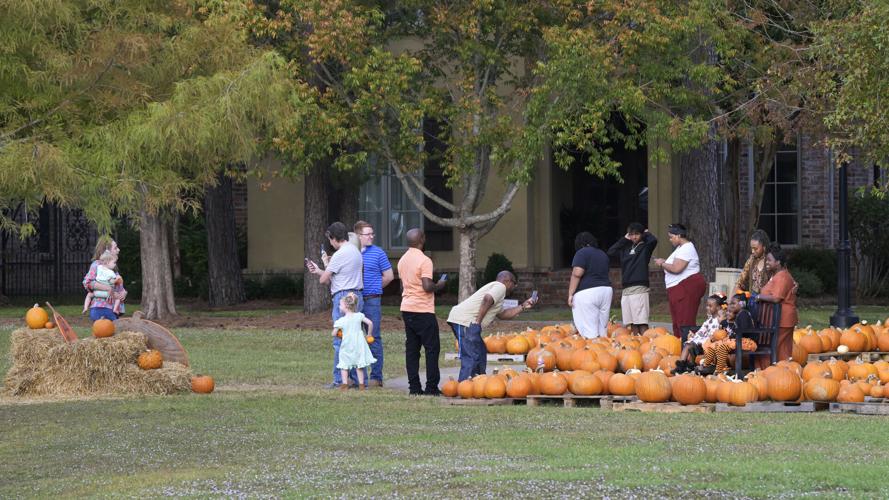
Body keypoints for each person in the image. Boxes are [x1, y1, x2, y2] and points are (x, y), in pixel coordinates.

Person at [446, 271, 537, 381]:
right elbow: (487, 299)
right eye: (514, 283)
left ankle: (479, 381)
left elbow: (503, 315)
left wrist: (523, 306)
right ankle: (465, 386)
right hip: (465, 321)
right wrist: (477, 323)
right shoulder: (500, 287)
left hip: (467, 321)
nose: (514, 287)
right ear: (507, 281)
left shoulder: (498, 293)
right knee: (471, 355)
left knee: (480, 351)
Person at [306, 222, 364, 388]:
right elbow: (338, 276)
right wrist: (318, 269)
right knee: (354, 339)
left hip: (343, 296)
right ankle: (357, 380)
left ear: (334, 238)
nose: (330, 242)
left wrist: (320, 273)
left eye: (330, 239)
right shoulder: (355, 251)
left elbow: (324, 280)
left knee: (340, 340)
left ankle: (340, 380)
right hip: (356, 295)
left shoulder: (340, 254)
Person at [396, 228, 446, 395]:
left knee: (412, 349)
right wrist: (439, 285)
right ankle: (431, 388)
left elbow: (403, 286)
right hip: (423, 310)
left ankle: (414, 388)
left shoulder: (402, 260)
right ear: (422, 240)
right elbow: (427, 286)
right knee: (432, 349)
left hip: (407, 308)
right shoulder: (425, 260)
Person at [354, 220, 394, 388]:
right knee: (353, 338)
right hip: (354, 301)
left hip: (372, 300)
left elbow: (389, 276)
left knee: (373, 337)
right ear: (357, 236)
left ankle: (376, 376)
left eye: (372, 233)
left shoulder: (378, 253)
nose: (371, 236)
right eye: (367, 234)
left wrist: (375, 287)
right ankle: (353, 377)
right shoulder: (351, 252)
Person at [654, 223, 707, 338]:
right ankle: (680, 347)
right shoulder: (681, 248)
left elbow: (676, 268)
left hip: (686, 287)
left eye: (671, 236)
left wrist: (662, 263)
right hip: (679, 288)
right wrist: (665, 262)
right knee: (678, 321)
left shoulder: (687, 248)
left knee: (685, 322)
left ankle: (686, 350)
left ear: (678, 236)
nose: (670, 239)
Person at [607, 223, 658, 335]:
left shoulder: (645, 247)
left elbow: (653, 240)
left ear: (641, 234)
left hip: (639, 287)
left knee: (641, 321)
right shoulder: (625, 247)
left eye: (637, 234)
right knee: (632, 322)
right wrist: (624, 239)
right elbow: (611, 252)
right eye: (631, 234)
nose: (634, 237)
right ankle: (636, 343)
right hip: (626, 288)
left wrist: (646, 233)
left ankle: (645, 343)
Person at [756, 243, 798, 369]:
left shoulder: (782, 277)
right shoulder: (776, 275)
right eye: (766, 260)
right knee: (777, 348)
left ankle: (781, 373)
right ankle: (772, 372)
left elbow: (776, 298)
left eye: (769, 260)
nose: (767, 262)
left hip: (782, 319)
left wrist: (758, 297)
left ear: (778, 262)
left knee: (780, 349)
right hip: (774, 319)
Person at [697, 291, 757, 375]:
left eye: (733, 303)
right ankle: (708, 365)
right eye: (731, 303)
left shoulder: (744, 314)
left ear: (742, 304)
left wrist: (731, 337)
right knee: (716, 345)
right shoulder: (739, 314)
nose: (731, 305)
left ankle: (719, 370)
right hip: (739, 340)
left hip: (747, 342)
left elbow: (744, 331)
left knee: (722, 347)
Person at [567, 232, 613, 338]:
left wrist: (570, 294)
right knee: (602, 330)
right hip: (606, 290)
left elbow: (577, 273)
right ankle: (604, 350)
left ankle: (593, 349)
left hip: (587, 292)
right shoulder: (602, 254)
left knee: (589, 330)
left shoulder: (581, 253)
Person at [332, 292, 377, 391]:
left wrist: (339, 334)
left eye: (340, 305)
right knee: (359, 365)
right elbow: (370, 323)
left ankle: (344, 384)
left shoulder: (340, 321)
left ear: (346, 306)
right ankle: (361, 385)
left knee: (344, 365)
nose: (339, 307)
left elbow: (334, 334)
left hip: (347, 345)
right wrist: (369, 334)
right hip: (359, 345)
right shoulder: (359, 316)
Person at [674, 293, 727, 373]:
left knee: (690, 345)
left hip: (710, 343)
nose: (707, 308)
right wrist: (694, 335)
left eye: (710, 306)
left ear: (718, 308)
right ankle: (683, 365)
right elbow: (702, 330)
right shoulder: (709, 320)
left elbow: (720, 332)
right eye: (707, 305)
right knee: (689, 345)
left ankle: (684, 367)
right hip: (702, 341)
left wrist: (721, 311)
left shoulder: (719, 319)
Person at [82, 237, 127, 321]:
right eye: (115, 248)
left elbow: (116, 284)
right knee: (104, 330)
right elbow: (87, 282)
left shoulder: (112, 266)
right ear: (107, 250)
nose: (118, 250)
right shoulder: (97, 265)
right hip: (103, 307)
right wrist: (108, 288)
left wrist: (123, 292)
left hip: (112, 308)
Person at [734, 229, 774, 295]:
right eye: (751, 248)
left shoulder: (770, 260)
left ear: (764, 247)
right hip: (752, 300)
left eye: (755, 248)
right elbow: (739, 281)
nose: (752, 251)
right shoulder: (751, 259)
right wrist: (731, 301)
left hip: (767, 300)